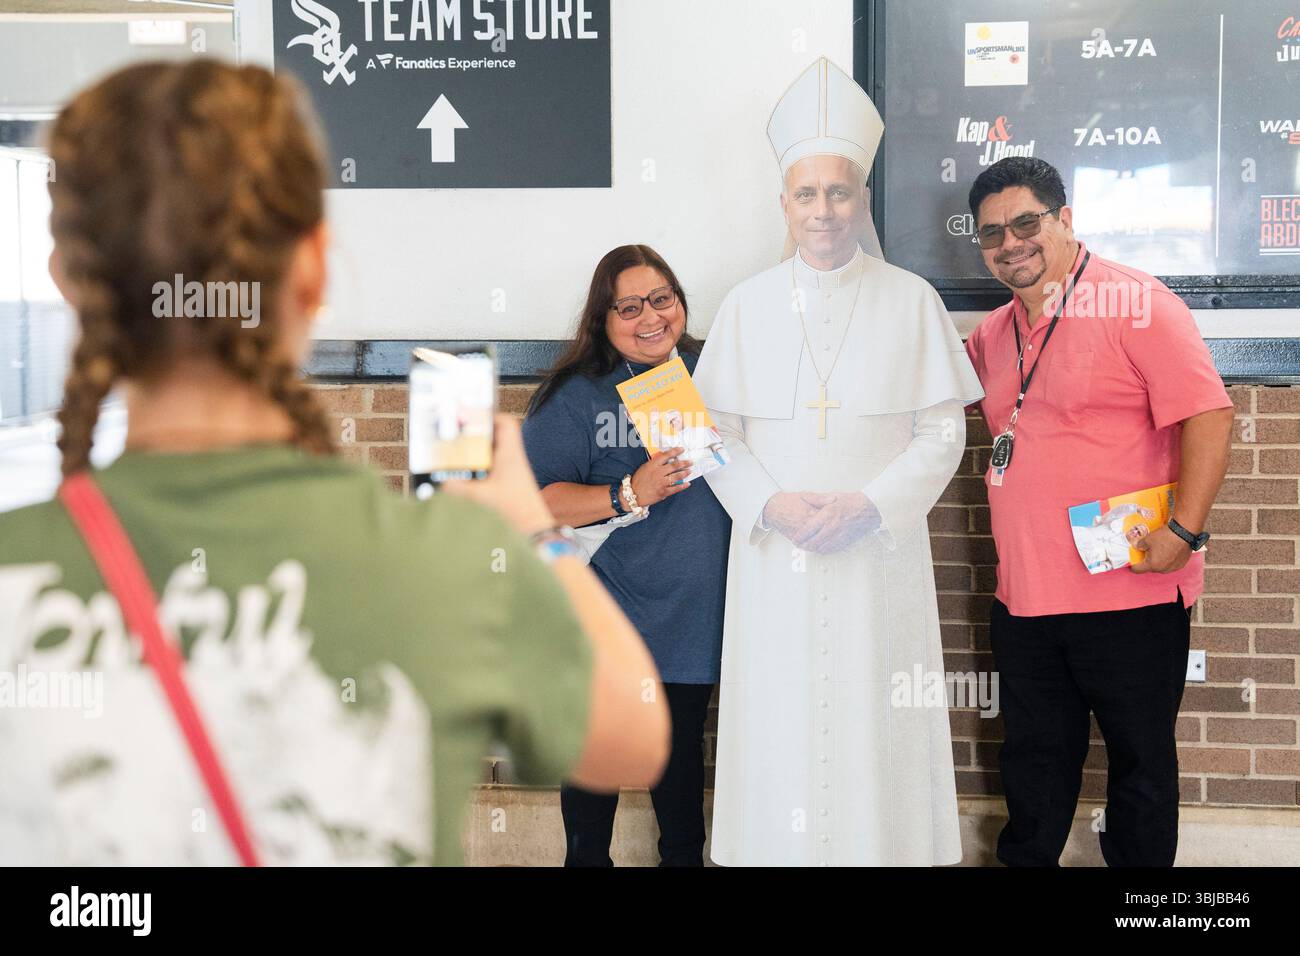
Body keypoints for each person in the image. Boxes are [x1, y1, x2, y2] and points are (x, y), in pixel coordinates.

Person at [0, 60, 668, 866]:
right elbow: (629, 742)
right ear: (314, 271)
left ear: (68, 281)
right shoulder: (443, 560)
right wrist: (530, 528)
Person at [693, 57, 984, 866]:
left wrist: (868, 507)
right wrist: (771, 506)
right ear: (783, 205)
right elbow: (709, 436)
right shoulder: (745, 307)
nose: (824, 210)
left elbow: (942, 434)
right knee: (782, 717)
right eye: (807, 194)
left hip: (876, 556)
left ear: (862, 200)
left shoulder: (912, 300)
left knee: (873, 716)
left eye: (840, 191)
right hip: (774, 559)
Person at [963, 156, 1235, 867]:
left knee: (1141, 767)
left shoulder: (1136, 303)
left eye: (1026, 222)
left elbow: (1208, 414)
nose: (1010, 242)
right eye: (992, 233)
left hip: (1130, 590)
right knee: (1032, 763)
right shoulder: (992, 333)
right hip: (1024, 599)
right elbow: (917, 388)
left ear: (1066, 220)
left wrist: (1185, 529)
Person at [523, 244, 731, 866]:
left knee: (680, 764)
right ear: (603, 320)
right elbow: (540, 503)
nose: (649, 318)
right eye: (628, 306)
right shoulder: (578, 394)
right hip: (608, 611)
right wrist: (626, 491)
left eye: (661, 300)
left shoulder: (715, 371)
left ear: (681, 304)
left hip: (694, 613)